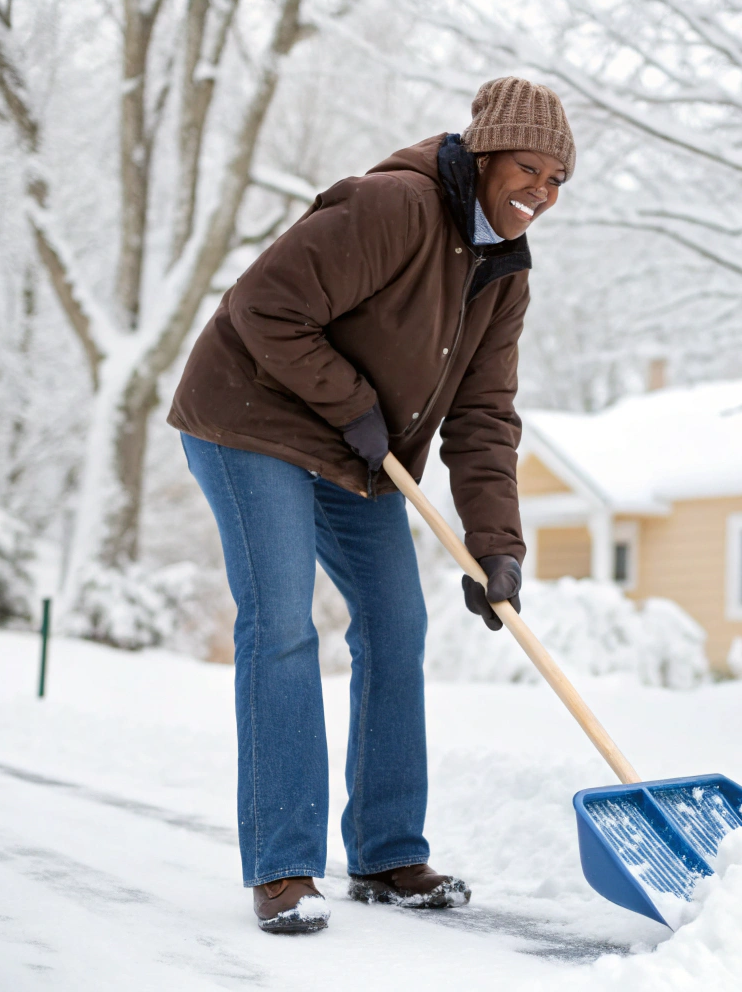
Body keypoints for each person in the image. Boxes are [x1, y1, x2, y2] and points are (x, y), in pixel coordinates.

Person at [167, 77, 573, 934]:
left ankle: (388, 854)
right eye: (530, 169)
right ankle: (283, 867)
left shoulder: (504, 274)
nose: (541, 191)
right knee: (279, 623)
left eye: (558, 180)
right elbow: (263, 308)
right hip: (253, 418)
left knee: (398, 625)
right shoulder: (396, 207)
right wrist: (353, 401)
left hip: (358, 446)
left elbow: (484, 415)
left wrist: (497, 546)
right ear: (487, 154)